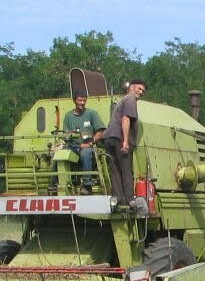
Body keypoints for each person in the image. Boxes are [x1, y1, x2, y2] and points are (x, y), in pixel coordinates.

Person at [103, 79, 146, 210]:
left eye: (143, 91)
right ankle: (129, 200)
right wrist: (126, 140)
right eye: (139, 88)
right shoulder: (130, 99)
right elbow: (126, 119)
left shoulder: (121, 100)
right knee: (126, 169)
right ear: (131, 88)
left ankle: (118, 199)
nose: (141, 92)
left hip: (109, 137)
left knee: (115, 169)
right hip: (120, 138)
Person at [62, 90, 105, 193]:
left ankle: (87, 184)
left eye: (84, 100)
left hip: (88, 146)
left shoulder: (91, 114)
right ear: (74, 101)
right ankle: (56, 183)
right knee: (60, 153)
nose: (82, 103)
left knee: (85, 153)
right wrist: (68, 137)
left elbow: (100, 132)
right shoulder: (68, 116)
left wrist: (91, 142)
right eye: (80, 100)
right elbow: (65, 134)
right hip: (73, 146)